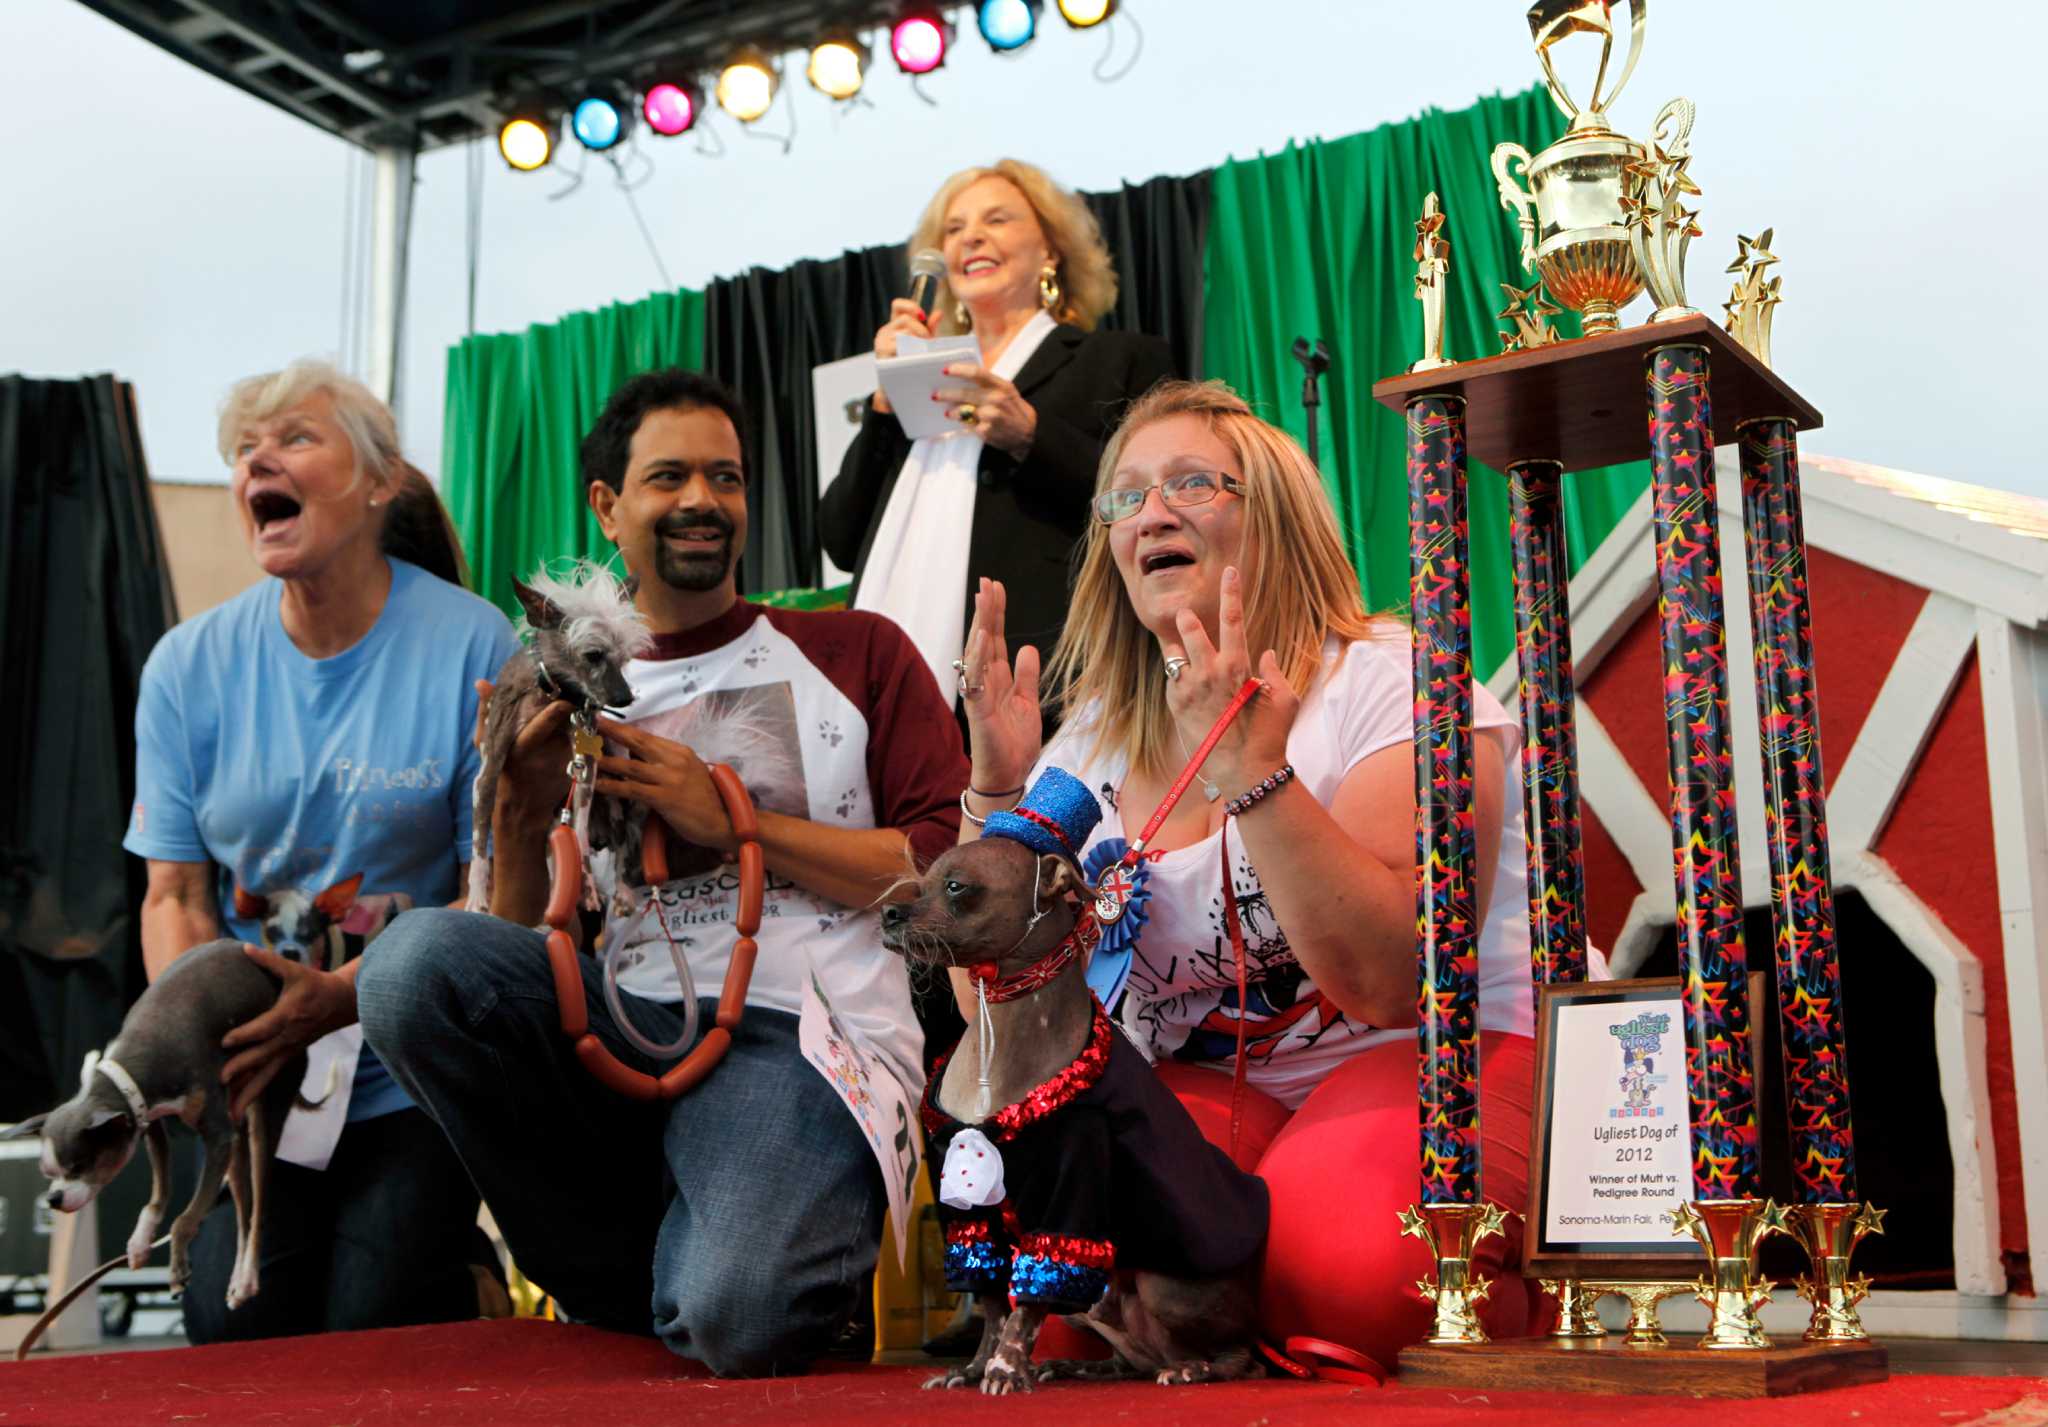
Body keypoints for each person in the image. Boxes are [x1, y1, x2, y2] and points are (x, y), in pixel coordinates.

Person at [357, 369, 968, 1378]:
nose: (702, 499)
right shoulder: (561, 687)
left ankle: (724, 1262)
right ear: (606, 503)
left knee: (736, 1315)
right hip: (615, 1022)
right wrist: (516, 810)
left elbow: (941, 877)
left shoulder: (855, 648)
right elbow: (505, 937)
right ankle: (662, 1262)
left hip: (804, 1037)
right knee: (410, 966)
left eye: (724, 478)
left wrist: (735, 822)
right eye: (669, 476)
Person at [953, 380, 1540, 1367]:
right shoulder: (1088, 737)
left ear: (1274, 518)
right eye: (1125, 496)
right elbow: (1001, 1035)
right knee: (1048, 1256)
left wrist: (1251, 775)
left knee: (1360, 1270)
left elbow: (1391, 977)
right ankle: (1254, 1290)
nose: (1153, 512)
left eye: (1191, 482)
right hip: (1213, 1092)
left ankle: (1288, 1279)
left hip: (1444, 1053)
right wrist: (991, 804)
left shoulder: (1389, 678)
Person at [124, 360, 519, 1342]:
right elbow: (172, 890)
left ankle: (456, 1274)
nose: (259, 457)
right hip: (250, 1079)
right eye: (245, 449)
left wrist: (343, 999)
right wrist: (198, 1049)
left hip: (404, 1064)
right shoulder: (187, 667)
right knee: (230, 1329)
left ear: (381, 480)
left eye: (296, 436)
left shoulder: (475, 644)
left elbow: (498, 898)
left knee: (369, 1325)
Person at [819, 158, 1177, 701]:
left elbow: (1151, 507)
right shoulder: (919, 380)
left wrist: (1030, 436)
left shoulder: (1117, 359)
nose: (971, 239)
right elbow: (841, 541)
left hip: (1044, 679)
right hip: (889, 703)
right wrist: (884, 401)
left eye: (997, 220)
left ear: (1051, 250)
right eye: (955, 229)